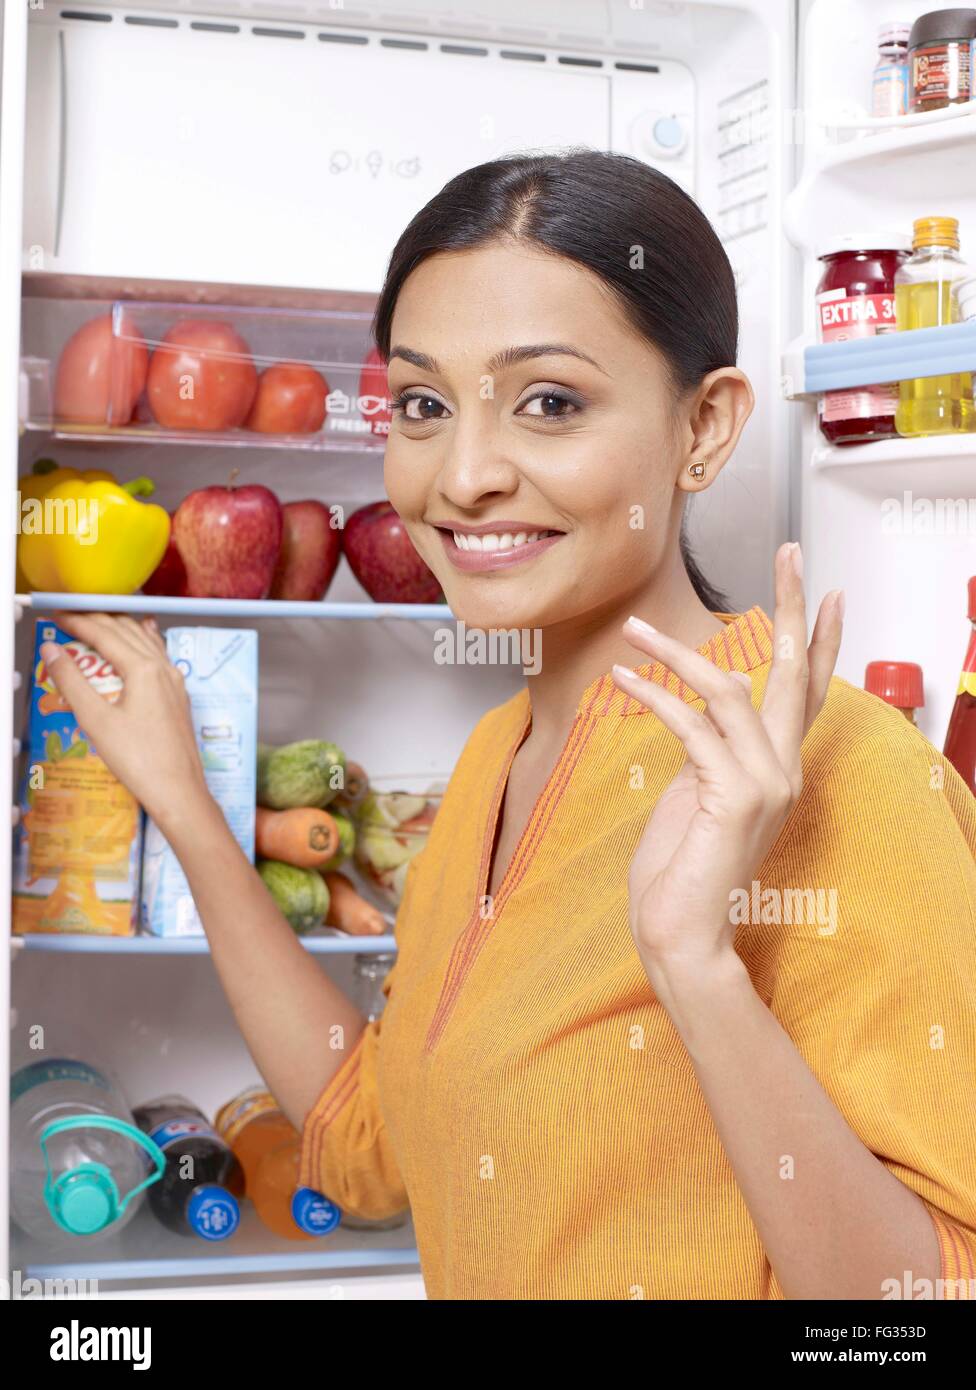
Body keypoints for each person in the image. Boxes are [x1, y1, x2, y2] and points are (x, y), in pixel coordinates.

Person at [43, 151, 976, 1301]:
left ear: (706, 427)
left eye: (548, 402)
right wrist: (182, 799)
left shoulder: (849, 774)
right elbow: (367, 1149)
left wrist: (693, 963)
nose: (464, 474)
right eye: (424, 406)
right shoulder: (495, 760)